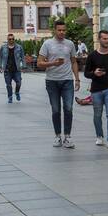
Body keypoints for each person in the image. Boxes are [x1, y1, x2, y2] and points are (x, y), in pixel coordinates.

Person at [37, 20, 80, 148]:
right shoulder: (47, 44)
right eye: (59, 30)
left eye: (64, 30)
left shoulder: (70, 44)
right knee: (56, 110)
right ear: (55, 30)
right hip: (52, 81)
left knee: (68, 108)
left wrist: (77, 79)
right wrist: (53, 63)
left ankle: (67, 137)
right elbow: (39, 63)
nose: (62, 32)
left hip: (67, 81)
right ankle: (57, 136)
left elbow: (74, 62)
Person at [0, 33, 25, 103]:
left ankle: (17, 92)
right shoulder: (3, 47)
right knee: (8, 85)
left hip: (17, 69)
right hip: (7, 69)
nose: (11, 40)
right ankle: (10, 97)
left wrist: (24, 66)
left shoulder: (19, 47)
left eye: (13, 39)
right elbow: (0, 58)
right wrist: (0, 67)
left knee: (19, 83)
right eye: (10, 39)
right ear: (7, 40)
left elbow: (22, 57)